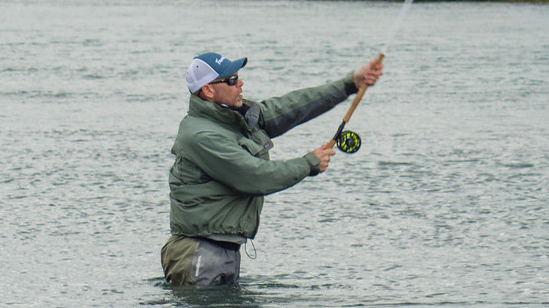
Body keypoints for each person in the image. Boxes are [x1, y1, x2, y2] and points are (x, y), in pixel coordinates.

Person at [160, 51, 384, 288]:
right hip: (199, 254)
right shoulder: (202, 135)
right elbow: (255, 176)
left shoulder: (236, 119)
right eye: (232, 80)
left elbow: (290, 107)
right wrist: (309, 163)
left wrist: (349, 84)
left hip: (219, 251)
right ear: (208, 90)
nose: (241, 83)